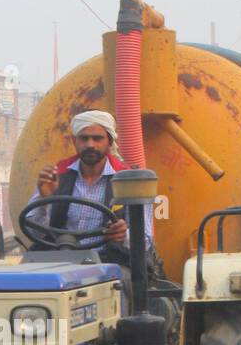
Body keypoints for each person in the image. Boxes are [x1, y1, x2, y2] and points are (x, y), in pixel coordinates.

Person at [25, 110, 154, 264]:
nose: (90, 145)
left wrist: (124, 235)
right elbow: (33, 231)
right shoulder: (56, 175)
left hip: (111, 263)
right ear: (74, 141)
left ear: (110, 141)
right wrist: (44, 200)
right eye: (84, 138)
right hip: (60, 260)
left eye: (97, 138)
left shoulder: (129, 181)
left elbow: (145, 241)